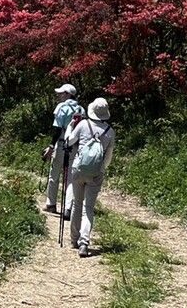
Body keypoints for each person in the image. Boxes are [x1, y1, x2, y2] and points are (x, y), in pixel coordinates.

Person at [63, 96, 115, 257]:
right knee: (88, 208)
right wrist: (100, 169)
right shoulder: (110, 131)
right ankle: (84, 243)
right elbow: (108, 158)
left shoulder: (83, 124)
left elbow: (69, 142)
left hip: (79, 169)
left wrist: (70, 127)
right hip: (96, 173)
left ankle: (74, 239)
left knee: (77, 204)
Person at [42, 83, 83, 215]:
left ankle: (51, 204)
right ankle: (68, 208)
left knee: (54, 175)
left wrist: (51, 146)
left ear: (68, 94)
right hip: (75, 146)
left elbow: (57, 129)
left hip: (61, 144)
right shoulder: (81, 109)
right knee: (70, 178)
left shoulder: (62, 107)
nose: (60, 95)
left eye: (62, 93)